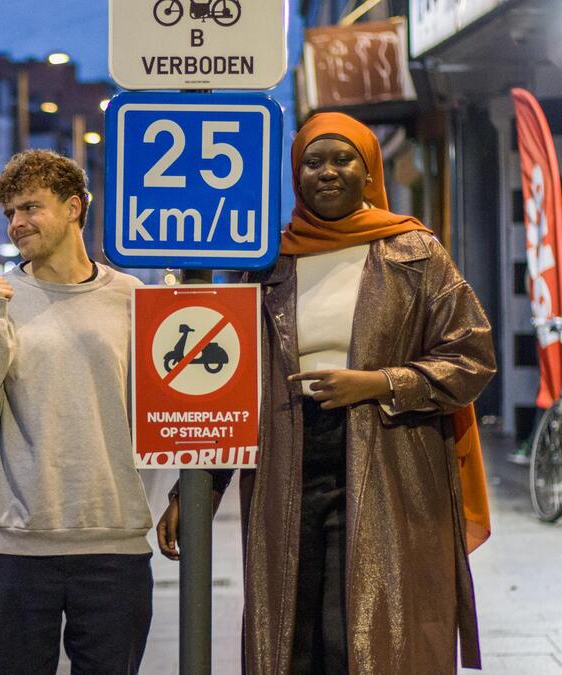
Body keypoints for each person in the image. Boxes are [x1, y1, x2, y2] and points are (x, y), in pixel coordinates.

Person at [156, 112, 496, 673]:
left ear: (369, 171)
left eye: (343, 160)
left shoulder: (413, 251)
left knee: (371, 631)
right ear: (297, 175)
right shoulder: (268, 259)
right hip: (285, 457)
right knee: (295, 630)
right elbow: (231, 384)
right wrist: (193, 492)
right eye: (314, 162)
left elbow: (472, 357)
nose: (328, 172)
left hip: (390, 456)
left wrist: (379, 383)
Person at [0, 150, 154, 674]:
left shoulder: (131, 297)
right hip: (15, 547)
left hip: (113, 541)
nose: (17, 223)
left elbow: (165, 412)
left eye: (30, 207)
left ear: (74, 207)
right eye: (10, 212)